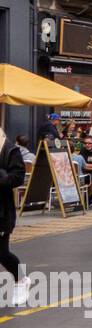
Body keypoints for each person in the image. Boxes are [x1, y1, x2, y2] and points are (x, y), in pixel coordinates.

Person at [0, 125, 30, 307]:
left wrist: (2, 177)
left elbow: (18, 176)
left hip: (2, 211)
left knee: (1, 253)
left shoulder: (10, 150)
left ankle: (21, 280)